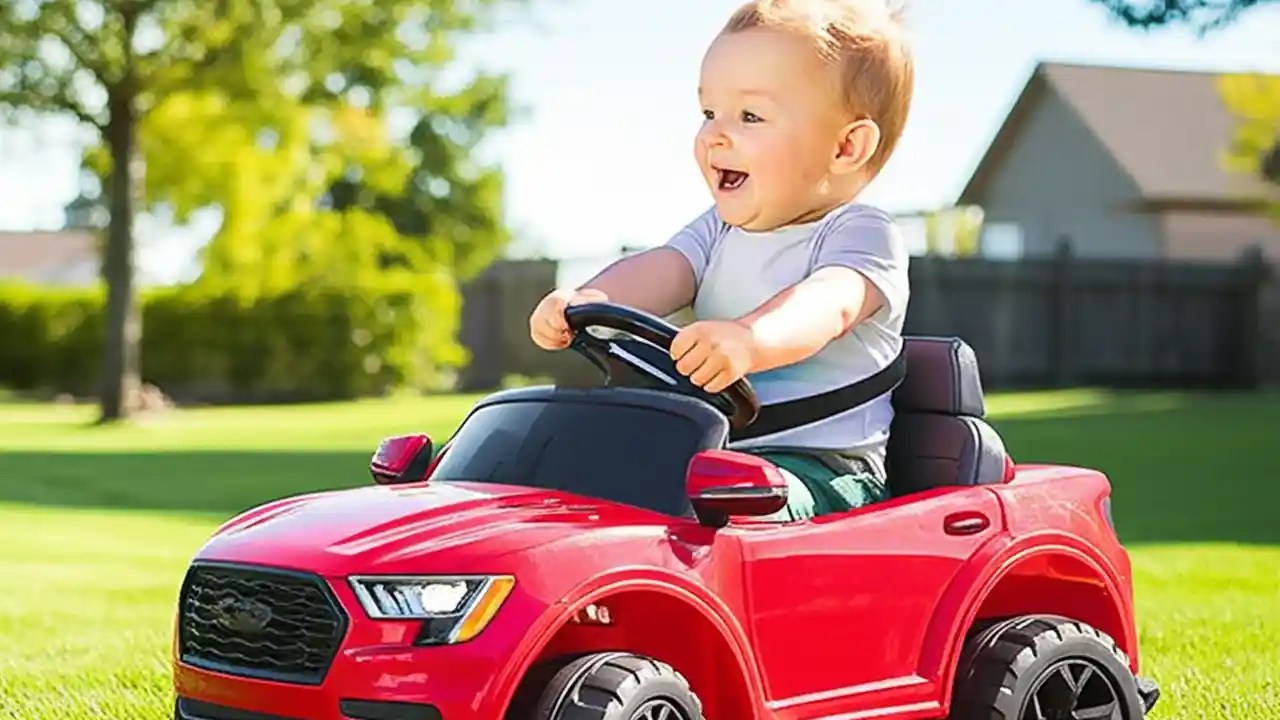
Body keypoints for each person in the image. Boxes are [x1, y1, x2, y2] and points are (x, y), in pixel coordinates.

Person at [528, 0, 915, 521]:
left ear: (846, 147)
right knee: (575, 471)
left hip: (823, 474)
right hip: (715, 454)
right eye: (709, 113)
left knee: (727, 505)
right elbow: (665, 267)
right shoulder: (718, 229)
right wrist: (590, 301)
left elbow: (830, 303)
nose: (714, 134)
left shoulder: (860, 233)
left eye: (750, 116)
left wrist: (749, 339)